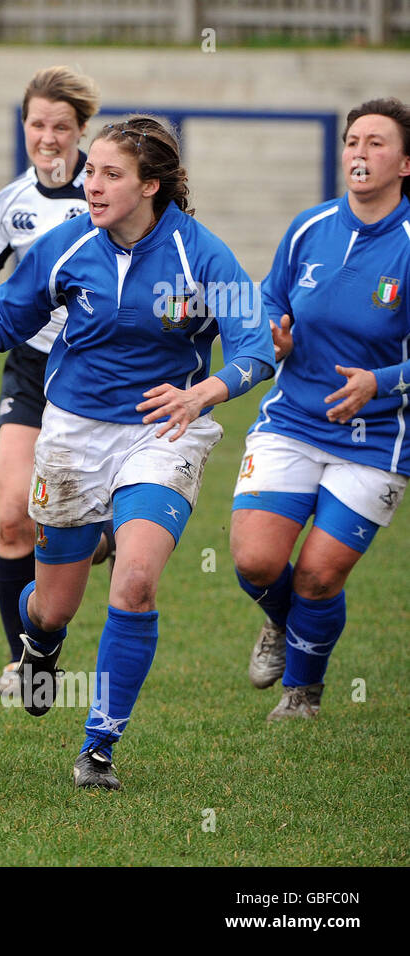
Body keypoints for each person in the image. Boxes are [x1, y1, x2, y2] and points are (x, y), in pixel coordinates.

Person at [0, 115, 274, 789]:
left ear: (150, 184)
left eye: (108, 174)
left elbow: (256, 347)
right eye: (90, 171)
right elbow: (9, 319)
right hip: (70, 435)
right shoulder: (66, 244)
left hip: (164, 433)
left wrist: (203, 394)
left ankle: (99, 745)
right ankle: (39, 650)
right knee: (52, 606)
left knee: (133, 580)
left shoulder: (203, 255)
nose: (90, 185)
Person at [231, 97, 410, 722]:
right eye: (352, 141)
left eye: (376, 143)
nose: (359, 153)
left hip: (376, 438)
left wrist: (382, 382)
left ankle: (302, 694)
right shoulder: (310, 226)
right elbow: (268, 297)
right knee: (256, 561)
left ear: (405, 163)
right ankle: (284, 625)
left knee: (318, 575)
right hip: (292, 421)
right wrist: (272, 332)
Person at [0, 66, 110, 698]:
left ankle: (100, 533)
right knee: (14, 515)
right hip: (29, 365)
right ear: (24, 128)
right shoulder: (9, 204)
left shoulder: (106, 195)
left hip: (100, 370)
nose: (48, 138)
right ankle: (25, 666)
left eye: (61, 127)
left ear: (81, 132)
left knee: (93, 508)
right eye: (37, 125)